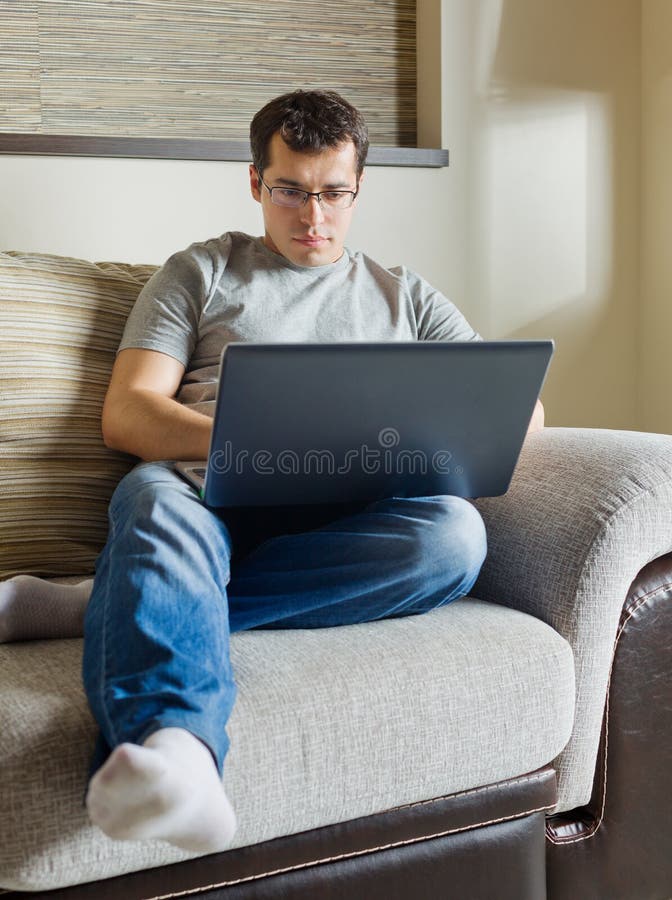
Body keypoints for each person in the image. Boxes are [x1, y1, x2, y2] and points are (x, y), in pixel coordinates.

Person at [0, 89, 543, 854]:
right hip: (202, 492)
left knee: (453, 537)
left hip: (346, 519)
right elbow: (128, 412)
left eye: (333, 193)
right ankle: (177, 750)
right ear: (255, 181)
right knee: (150, 498)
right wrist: (244, 443)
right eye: (290, 190)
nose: (313, 216)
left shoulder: (408, 297)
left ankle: (120, 599)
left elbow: (521, 415)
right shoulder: (200, 272)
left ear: (358, 189)